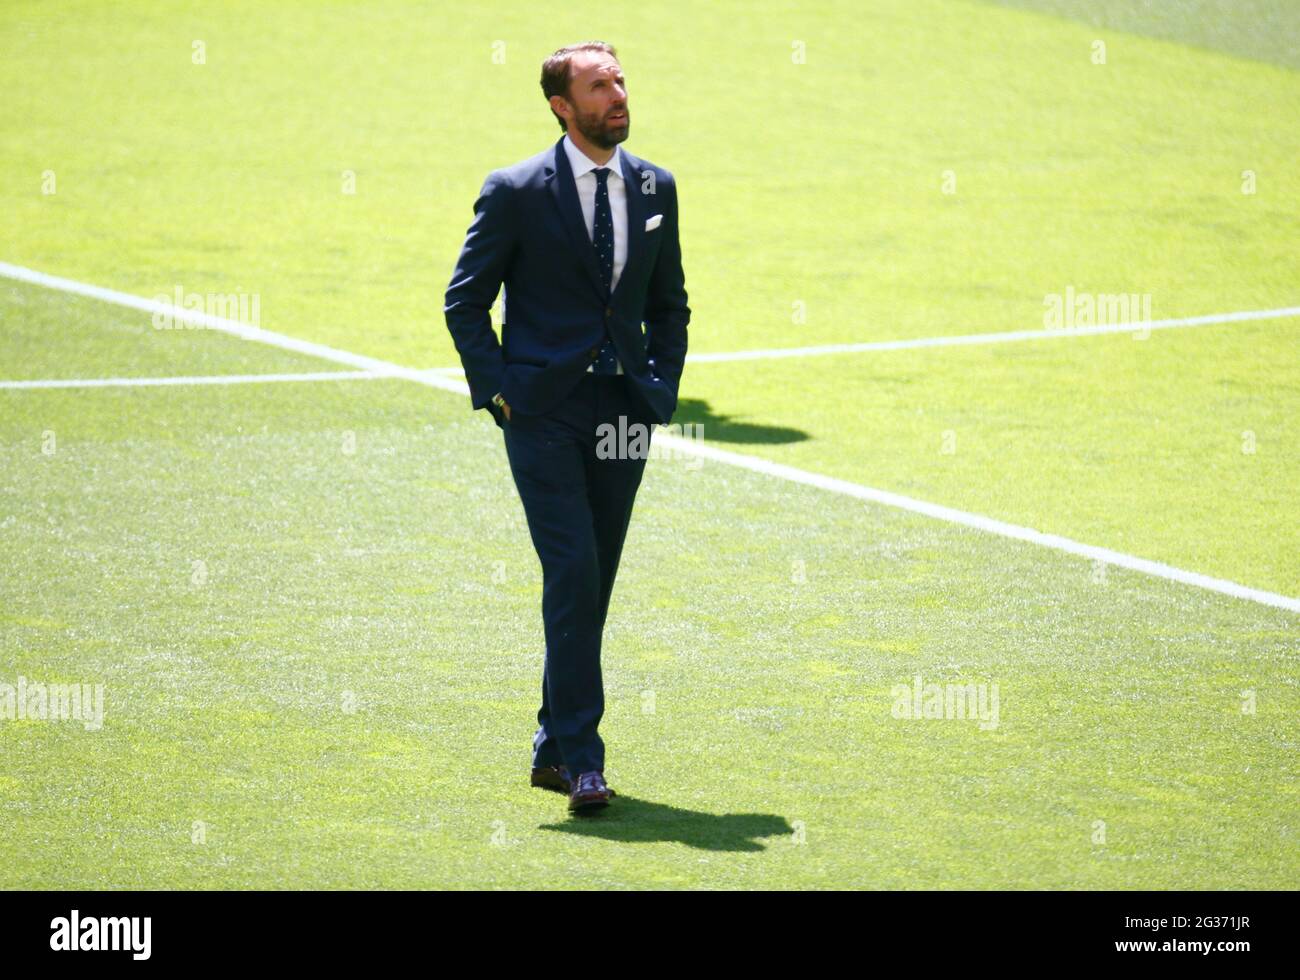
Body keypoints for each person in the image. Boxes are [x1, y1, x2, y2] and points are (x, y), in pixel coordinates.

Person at [443, 41, 690, 812]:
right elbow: (465, 300)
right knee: (575, 570)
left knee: (595, 579)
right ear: (562, 105)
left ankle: (552, 744)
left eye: (619, 81)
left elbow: (670, 303)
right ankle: (585, 760)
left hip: (623, 413)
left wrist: (661, 387)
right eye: (598, 86)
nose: (617, 95)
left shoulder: (656, 185)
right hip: (543, 413)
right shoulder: (516, 190)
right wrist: (500, 394)